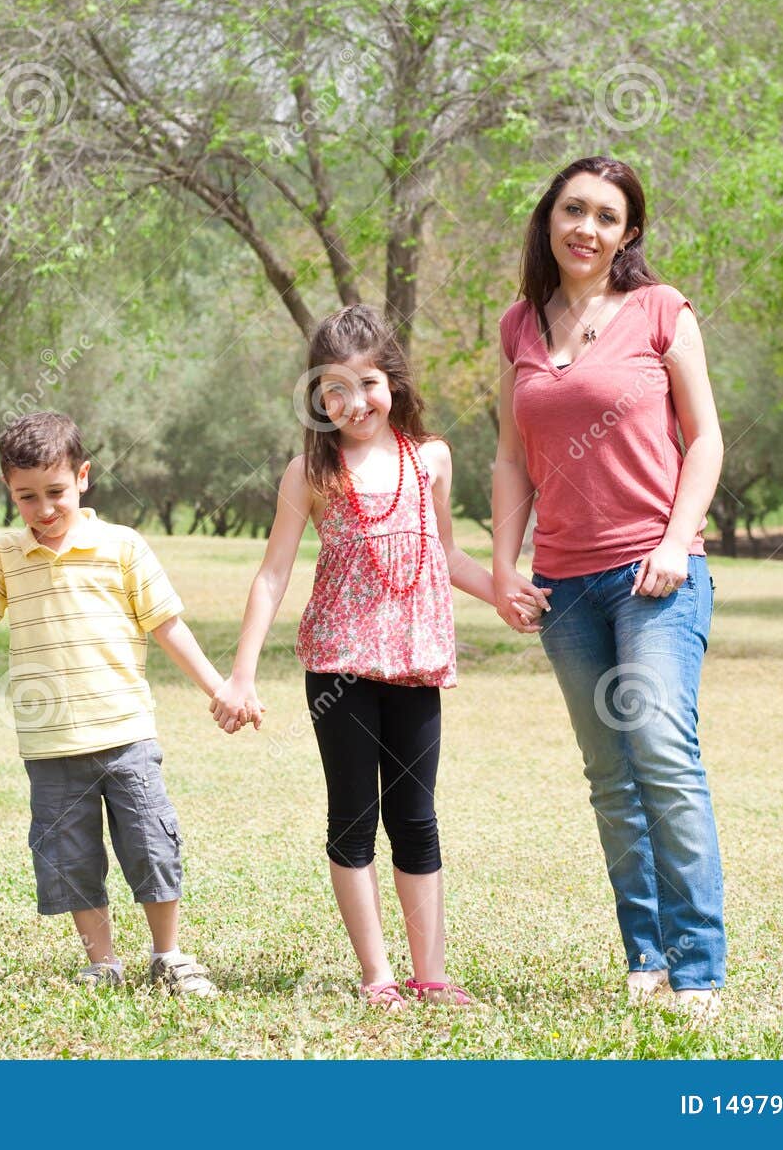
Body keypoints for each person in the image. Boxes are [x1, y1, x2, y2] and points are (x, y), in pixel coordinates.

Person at [210, 306, 543, 1011]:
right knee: (354, 818)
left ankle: (431, 974)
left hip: (417, 661)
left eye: (367, 382)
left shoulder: (432, 458)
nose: (354, 401)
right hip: (341, 669)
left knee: (417, 819)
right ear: (316, 398)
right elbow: (273, 575)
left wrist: (500, 592)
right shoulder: (309, 472)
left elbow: (445, 551)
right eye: (334, 388)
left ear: (392, 380)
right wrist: (240, 672)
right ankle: (378, 975)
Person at [489, 155, 726, 1020]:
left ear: (629, 233)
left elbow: (704, 441)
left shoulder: (663, 310)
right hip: (565, 585)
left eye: (606, 215)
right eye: (572, 209)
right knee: (609, 773)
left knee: (660, 751)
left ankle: (699, 965)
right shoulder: (519, 324)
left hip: (656, 575)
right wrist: (504, 564)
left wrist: (673, 542)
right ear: (549, 218)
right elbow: (513, 459)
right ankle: (646, 954)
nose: (585, 227)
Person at [0, 412, 221, 995]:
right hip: (50, 744)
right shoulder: (3, 556)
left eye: (55, 492)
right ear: (9, 492)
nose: (44, 508)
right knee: (72, 858)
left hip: (125, 733)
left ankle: (168, 954)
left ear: (82, 477)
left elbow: (169, 626)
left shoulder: (122, 547)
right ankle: (102, 961)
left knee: (151, 845)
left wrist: (220, 688)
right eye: (26, 496)